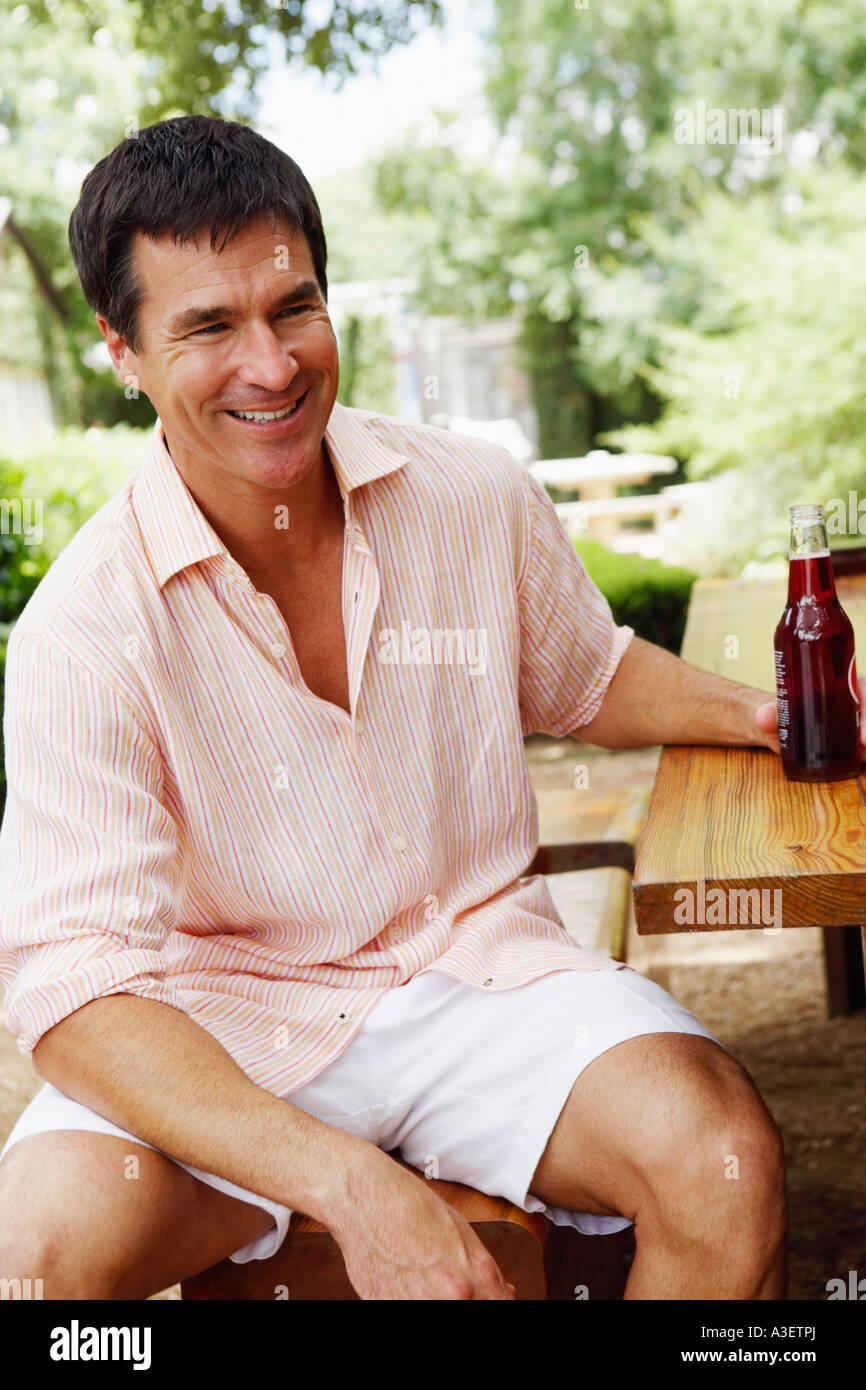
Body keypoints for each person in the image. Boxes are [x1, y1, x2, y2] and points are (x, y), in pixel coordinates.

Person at [0, 115, 814, 1302]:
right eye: (209, 326)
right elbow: (74, 989)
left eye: (292, 306)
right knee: (31, 1269)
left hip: (477, 973)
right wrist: (353, 1183)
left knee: (725, 1161)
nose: (271, 364)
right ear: (121, 351)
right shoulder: (82, 623)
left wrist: (762, 711)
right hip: (228, 1032)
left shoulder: (470, 493)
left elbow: (583, 670)